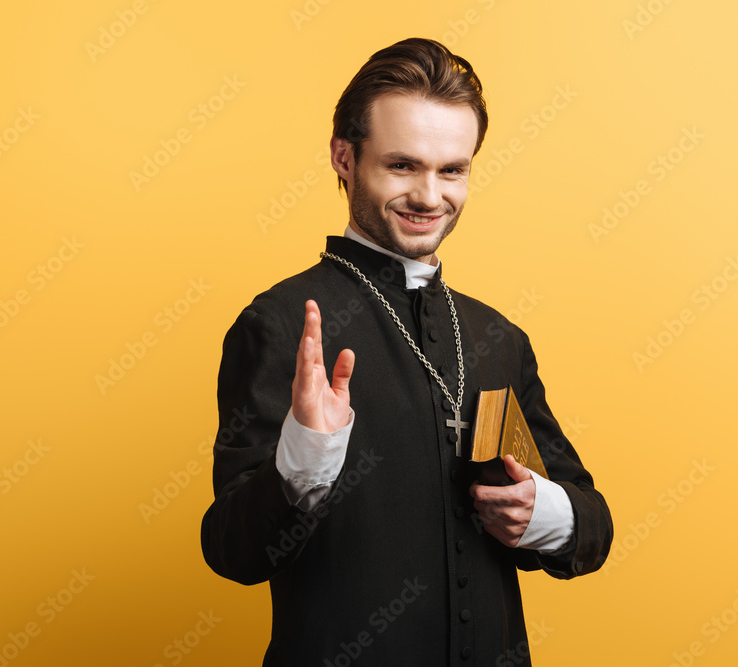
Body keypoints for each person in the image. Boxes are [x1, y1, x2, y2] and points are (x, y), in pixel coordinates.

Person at [200, 38, 612, 666]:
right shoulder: (280, 324)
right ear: (344, 157)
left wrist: (541, 512)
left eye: (452, 170)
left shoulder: (499, 336)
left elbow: (592, 526)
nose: (429, 196)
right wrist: (303, 459)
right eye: (402, 166)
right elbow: (232, 551)